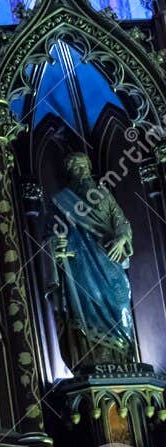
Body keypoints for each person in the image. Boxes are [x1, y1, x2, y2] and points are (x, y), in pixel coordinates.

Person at [49, 152, 137, 365]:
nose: (83, 172)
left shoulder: (105, 194)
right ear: (70, 173)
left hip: (109, 260)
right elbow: (50, 233)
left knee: (121, 303)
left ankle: (124, 357)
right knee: (87, 306)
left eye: (85, 167)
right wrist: (55, 245)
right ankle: (92, 359)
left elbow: (123, 222)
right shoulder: (63, 200)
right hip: (81, 264)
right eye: (77, 168)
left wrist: (121, 238)